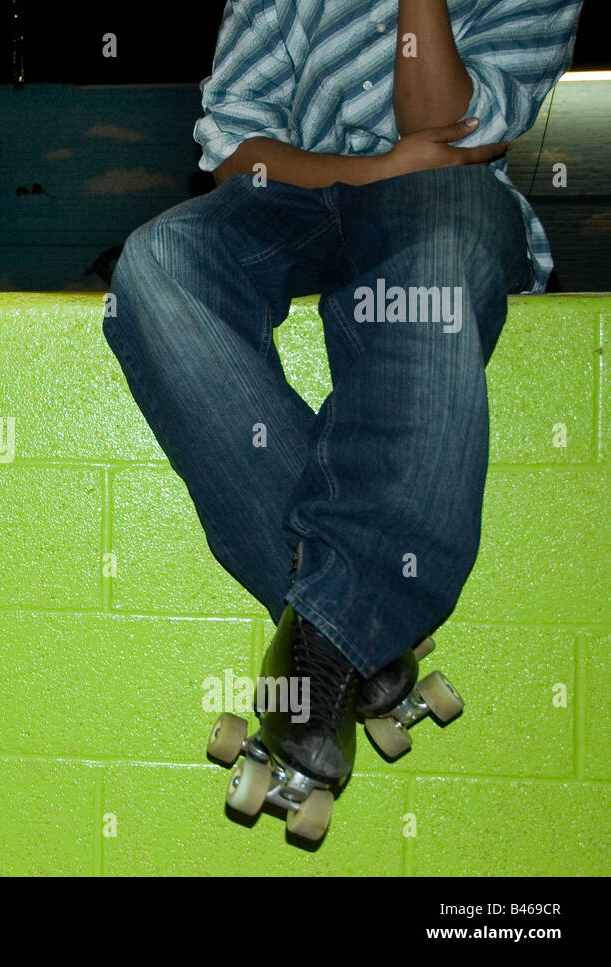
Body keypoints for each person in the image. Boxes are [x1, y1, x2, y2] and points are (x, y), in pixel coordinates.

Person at [102, 0, 584, 841]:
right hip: (302, 196)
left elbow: (452, 129)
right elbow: (235, 148)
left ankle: (326, 647)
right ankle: (353, 634)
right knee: (156, 263)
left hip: (446, 200)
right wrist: (370, 171)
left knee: (438, 255)